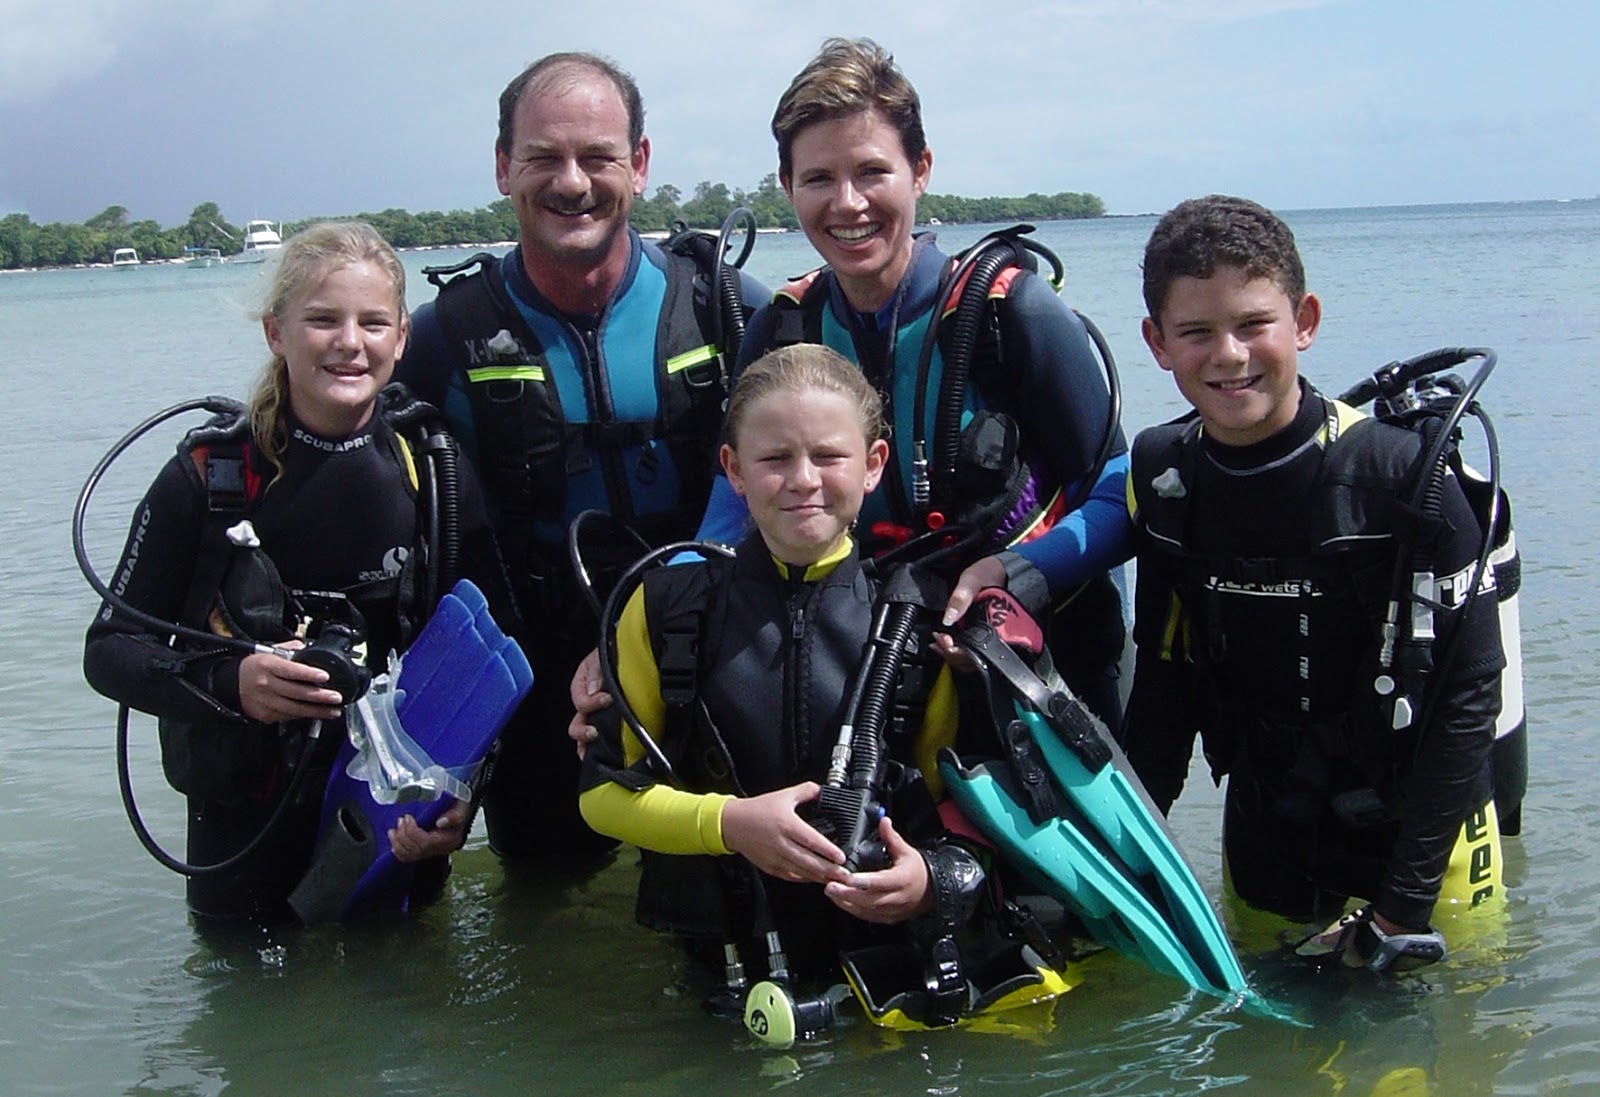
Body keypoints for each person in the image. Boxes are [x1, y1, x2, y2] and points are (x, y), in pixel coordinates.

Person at [579, 344, 1050, 1025]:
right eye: (775, 459)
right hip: (725, 972)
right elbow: (602, 796)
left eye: (829, 455)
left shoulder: (922, 618)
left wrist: (926, 881)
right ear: (734, 471)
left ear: (874, 465)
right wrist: (729, 824)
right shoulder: (663, 608)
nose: (803, 479)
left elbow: (972, 813)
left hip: (887, 976)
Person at [83, 221, 516, 925]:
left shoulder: (434, 468)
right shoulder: (209, 477)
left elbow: (497, 650)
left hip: (395, 827)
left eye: (373, 322)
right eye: (322, 319)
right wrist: (235, 683)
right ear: (275, 332)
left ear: (402, 337)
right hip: (242, 831)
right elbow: (107, 653)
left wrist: (466, 789)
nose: (350, 341)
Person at [691, 37, 1130, 729]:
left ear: (920, 170)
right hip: (872, 663)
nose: (848, 203)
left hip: (1039, 661)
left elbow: (1118, 491)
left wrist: (1017, 574)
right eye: (818, 179)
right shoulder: (781, 329)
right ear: (786, 187)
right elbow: (730, 503)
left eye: (872, 171)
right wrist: (658, 612)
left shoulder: (1009, 313)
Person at [398, 51, 767, 867]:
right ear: (503, 168)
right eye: (542, 158)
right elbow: (390, 532)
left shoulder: (730, 311)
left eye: (598, 156)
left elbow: (820, 486)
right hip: (537, 694)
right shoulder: (441, 340)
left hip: (707, 655)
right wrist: (434, 758)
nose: (572, 182)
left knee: (719, 917)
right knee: (545, 913)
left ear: (638, 164)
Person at [1119, 195, 1504, 969]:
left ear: (1305, 321)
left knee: (1423, 1067)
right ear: (1157, 343)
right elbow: (1166, 686)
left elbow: (1469, 700)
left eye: (1253, 323)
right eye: (1196, 332)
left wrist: (1400, 913)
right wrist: (1126, 863)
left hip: (1427, 842)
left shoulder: (1406, 476)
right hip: (1265, 830)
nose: (1229, 354)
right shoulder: (1164, 474)